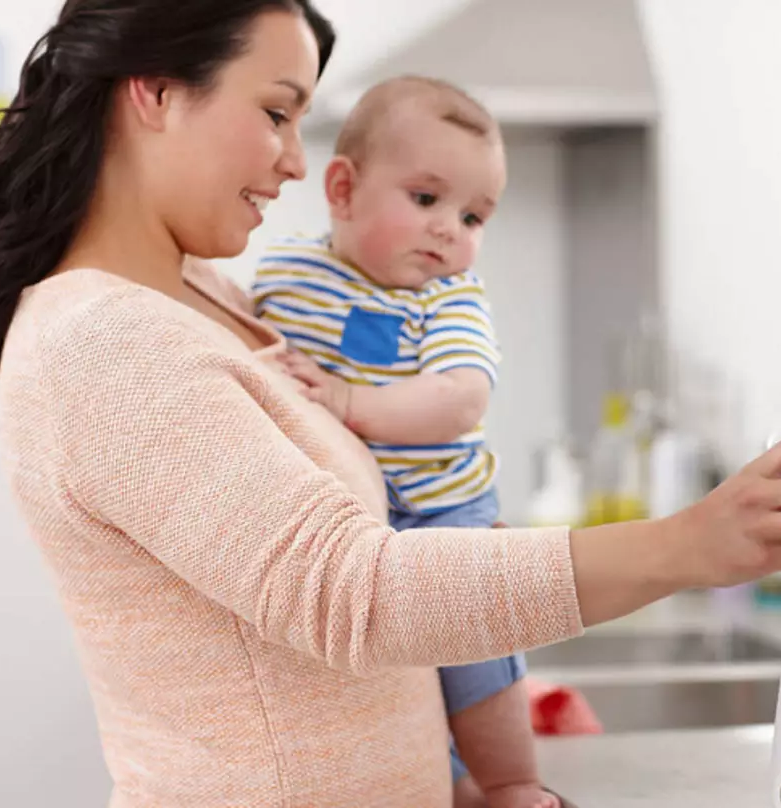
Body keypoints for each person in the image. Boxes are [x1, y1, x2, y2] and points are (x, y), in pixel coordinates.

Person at [0, 1, 781, 805]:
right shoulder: (105, 345)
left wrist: (442, 779)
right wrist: (683, 544)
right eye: (274, 112)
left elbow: (298, 668)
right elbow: (354, 594)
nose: (296, 165)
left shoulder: (208, 299)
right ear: (154, 90)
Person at [251, 75, 549, 807]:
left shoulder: (448, 298)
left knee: (471, 657)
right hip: (351, 528)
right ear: (344, 190)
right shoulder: (287, 274)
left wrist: (349, 401)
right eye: (426, 200)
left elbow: (458, 398)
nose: (451, 229)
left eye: (475, 216)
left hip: (442, 512)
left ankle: (511, 782)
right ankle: (451, 789)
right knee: (385, 691)